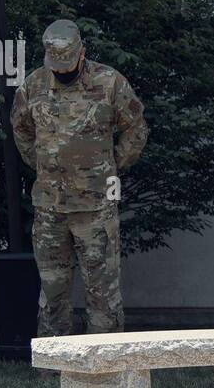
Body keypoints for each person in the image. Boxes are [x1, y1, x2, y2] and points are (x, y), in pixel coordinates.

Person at [11, 19, 148, 339]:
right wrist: (43, 165)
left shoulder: (110, 82)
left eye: (67, 64)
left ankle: (105, 365)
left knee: (103, 291)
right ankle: (54, 364)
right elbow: (20, 129)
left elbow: (136, 128)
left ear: (82, 54)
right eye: (55, 66)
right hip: (50, 208)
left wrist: (111, 166)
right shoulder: (33, 86)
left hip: (96, 208)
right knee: (53, 291)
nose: (61, 71)